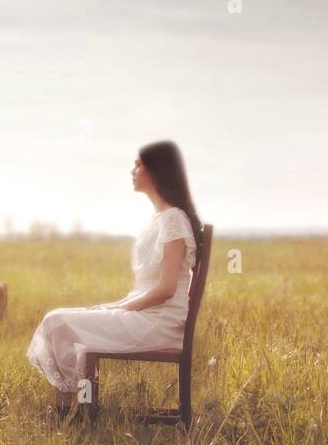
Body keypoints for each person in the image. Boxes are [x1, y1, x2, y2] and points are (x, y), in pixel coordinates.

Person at [26, 140, 203, 409]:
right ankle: (77, 408)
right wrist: (119, 306)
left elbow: (166, 288)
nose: (132, 170)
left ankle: (68, 411)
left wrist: (124, 307)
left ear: (155, 171)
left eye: (137, 164)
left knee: (57, 320)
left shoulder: (173, 219)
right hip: (145, 316)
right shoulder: (161, 218)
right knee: (65, 320)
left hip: (158, 323)